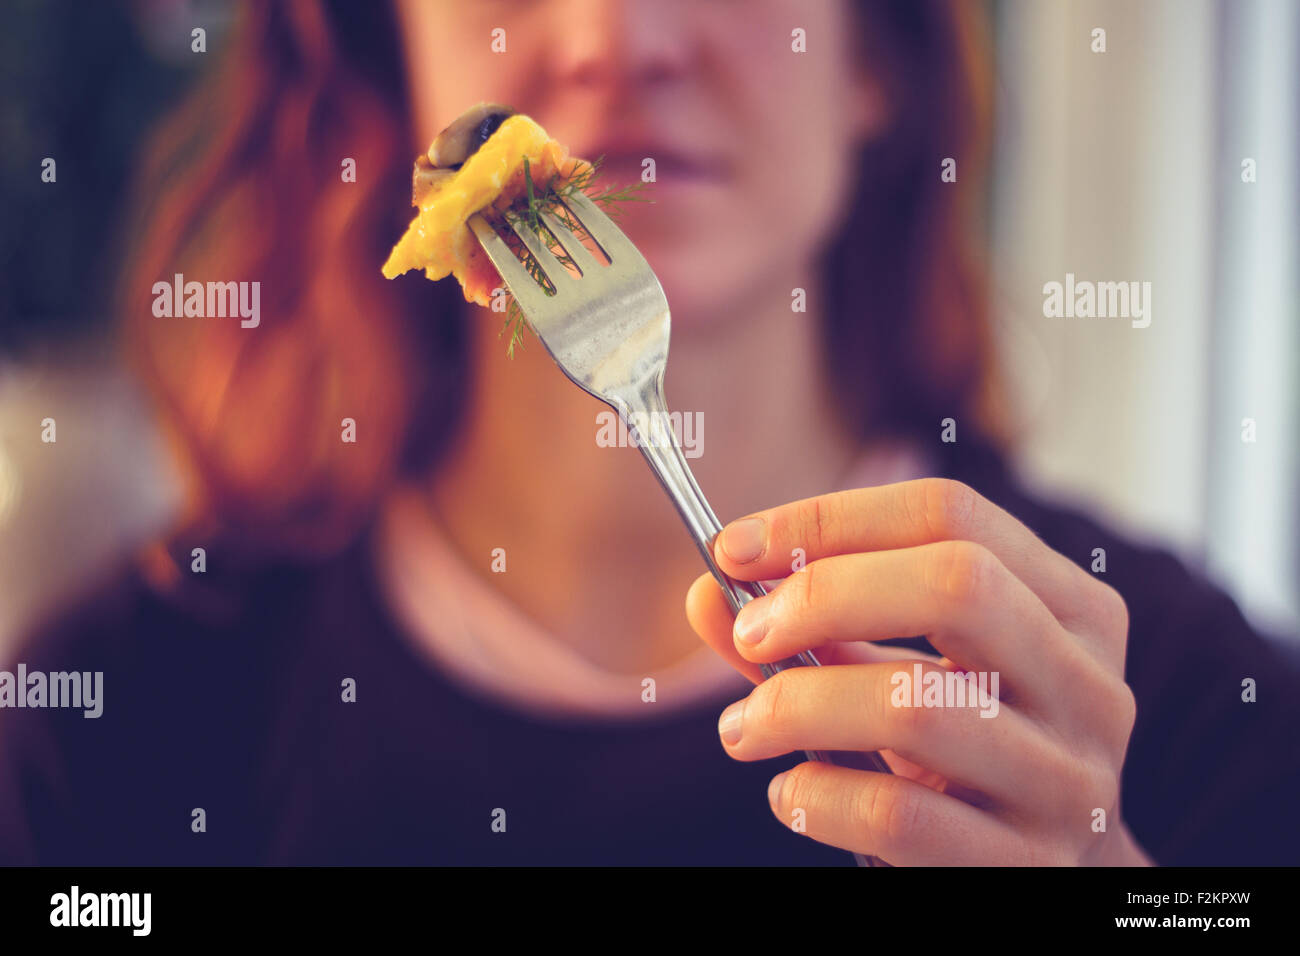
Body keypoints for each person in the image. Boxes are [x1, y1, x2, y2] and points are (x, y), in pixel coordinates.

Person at [1, 0, 1296, 866]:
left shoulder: (1172, 718)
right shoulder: (113, 731)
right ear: (389, 48)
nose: (618, 40)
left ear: (877, 57)